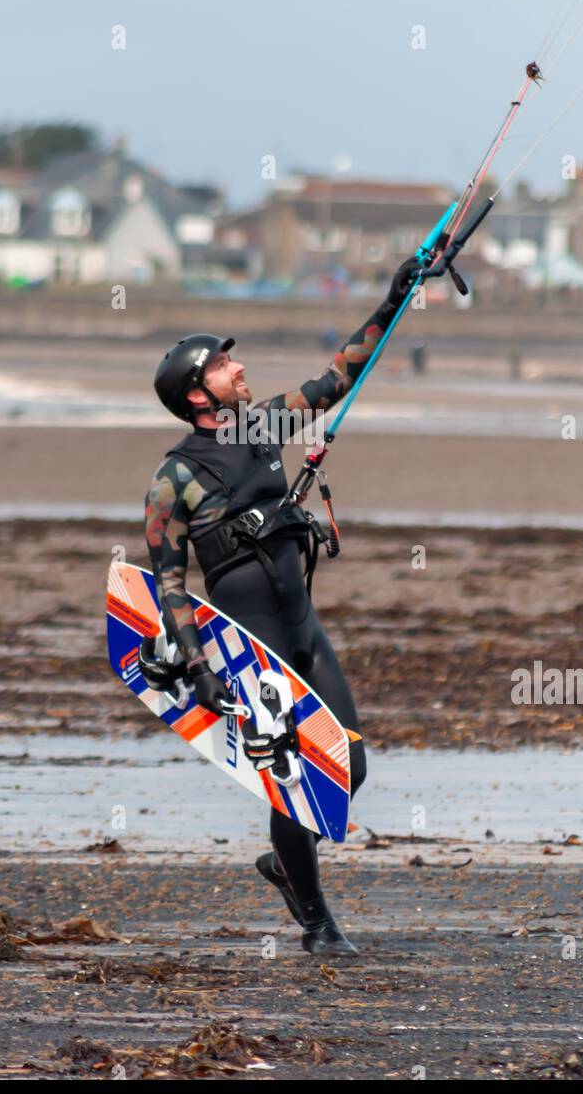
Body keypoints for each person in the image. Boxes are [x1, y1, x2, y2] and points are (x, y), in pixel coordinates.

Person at [144, 256, 421, 957]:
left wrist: (394, 296)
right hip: (251, 645)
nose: (239, 371)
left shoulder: (262, 427)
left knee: (349, 768)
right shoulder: (174, 478)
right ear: (195, 393)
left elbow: (340, 375)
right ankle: (316, 921)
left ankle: (284, 866)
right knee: (294, 785)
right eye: (224, 366)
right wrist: (198, 664)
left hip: (303, 627)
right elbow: (169, 581)